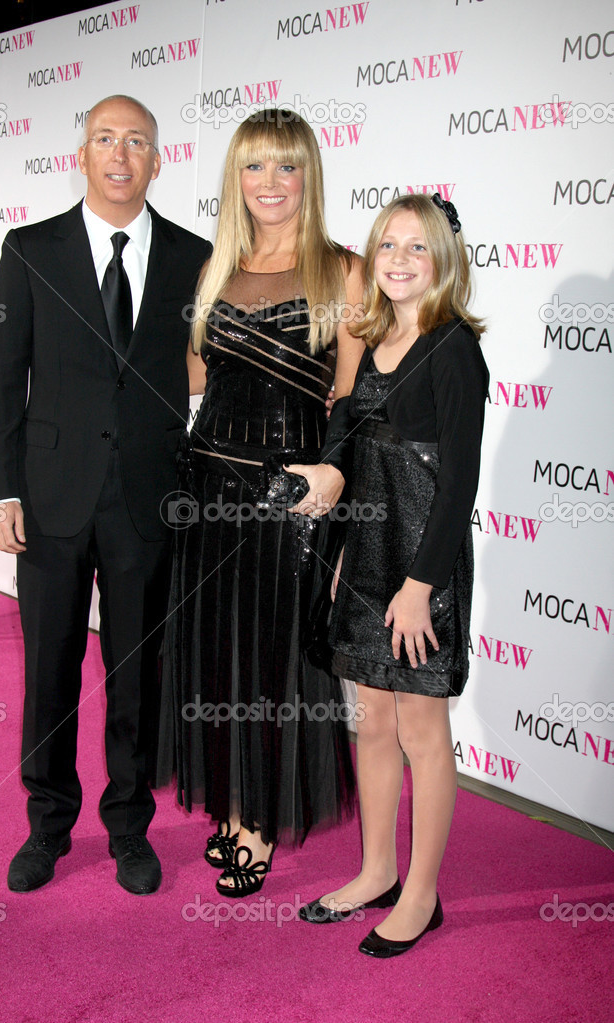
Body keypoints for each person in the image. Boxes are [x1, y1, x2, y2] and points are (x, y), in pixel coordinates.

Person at [0, 95, 211, 895]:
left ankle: (129, 826)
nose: (120, 153)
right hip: (48, 498)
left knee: (137, 670)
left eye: (136, 140)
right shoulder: (31, 248)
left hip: (148, 498)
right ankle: (47, 825)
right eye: (105, 139)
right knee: (49, 667)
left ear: (157, 159)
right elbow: (2, 380)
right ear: (82, 153)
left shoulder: (194, 255)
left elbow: (209, 369)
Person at [155, 109, 365, 896]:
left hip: (287, 499)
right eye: (254, 167)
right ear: (233, 177)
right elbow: (193, 377)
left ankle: (259, 815)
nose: (269, 184)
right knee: (216, 648)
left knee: (273, 656)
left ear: (308, 175)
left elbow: (347, 398)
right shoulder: (215, 267)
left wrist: (337, 499)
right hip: (207, 490)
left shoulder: (341, 270)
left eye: (286, 167)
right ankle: (232, 798)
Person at [298, 193, 489, 956]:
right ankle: (377, 869)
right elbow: (349, 457)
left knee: (419, 726)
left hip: (421, 566)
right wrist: (335, 537)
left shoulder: (453, 349)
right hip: (365, 558)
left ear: (443, 259)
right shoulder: (368, 335)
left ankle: (422, 891)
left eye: (418, 247)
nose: (401, 260)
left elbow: (459, 483)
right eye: (388, 246)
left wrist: (420, 585)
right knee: (370, 717)